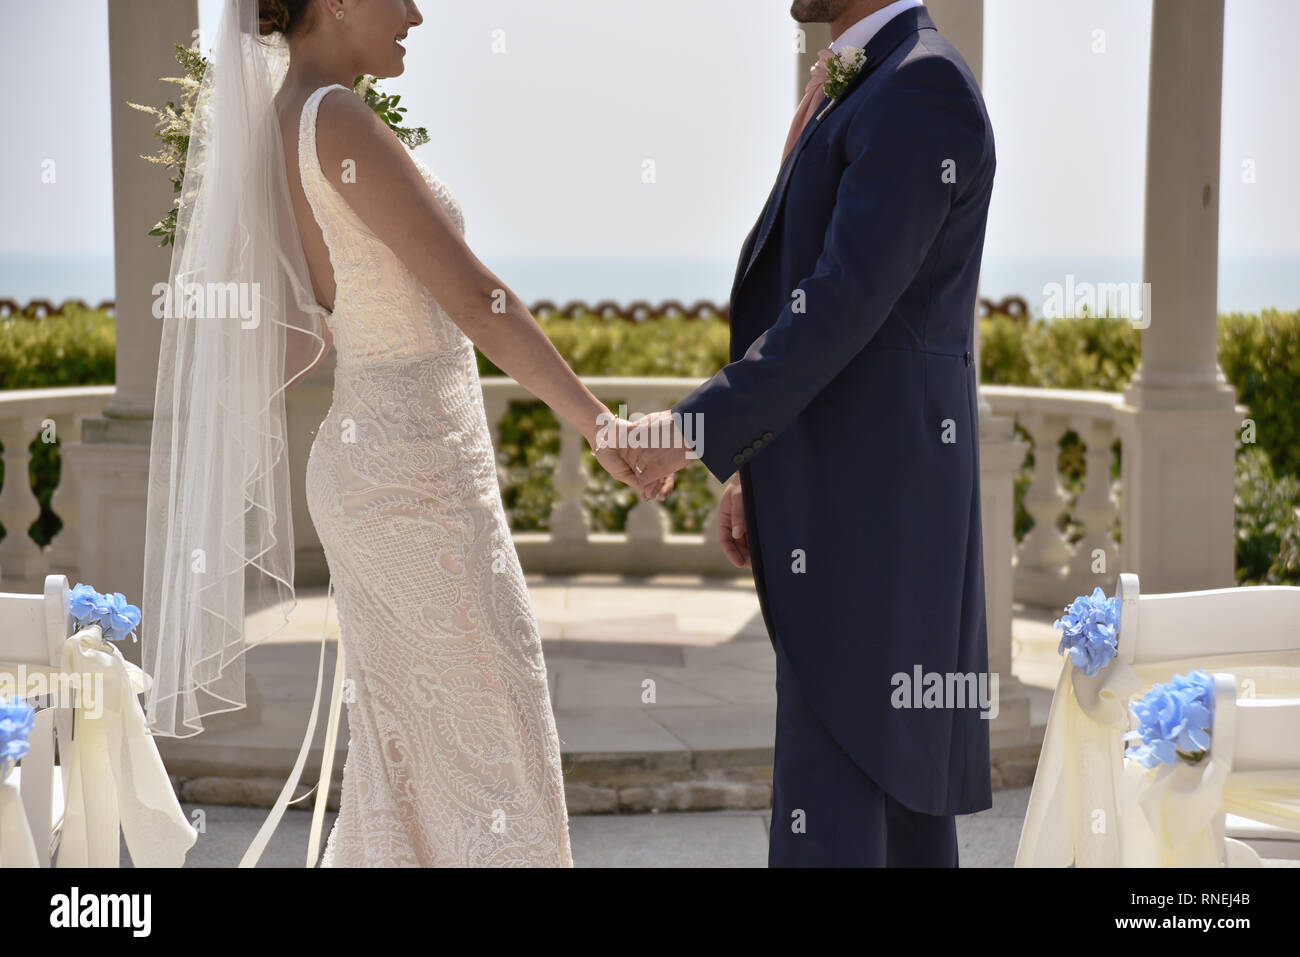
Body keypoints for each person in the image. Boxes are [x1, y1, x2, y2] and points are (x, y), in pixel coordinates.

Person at [142, 0, 664, 867]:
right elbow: (475, 299)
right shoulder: (333, 116)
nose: (417, 14)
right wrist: (599, 423)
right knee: (496, 741)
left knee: (417, 761)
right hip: (413, 476)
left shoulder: (279, 123)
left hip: (377, 469)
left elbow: (299, 332)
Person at [627, 0, 997, 866]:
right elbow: (812, 309)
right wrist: (750, 469)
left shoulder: (920, 85)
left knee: (842, 797)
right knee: (887, 805)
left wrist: (691, 429)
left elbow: (838, 308)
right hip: (844, 502)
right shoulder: (867, 79)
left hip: (879, 517)